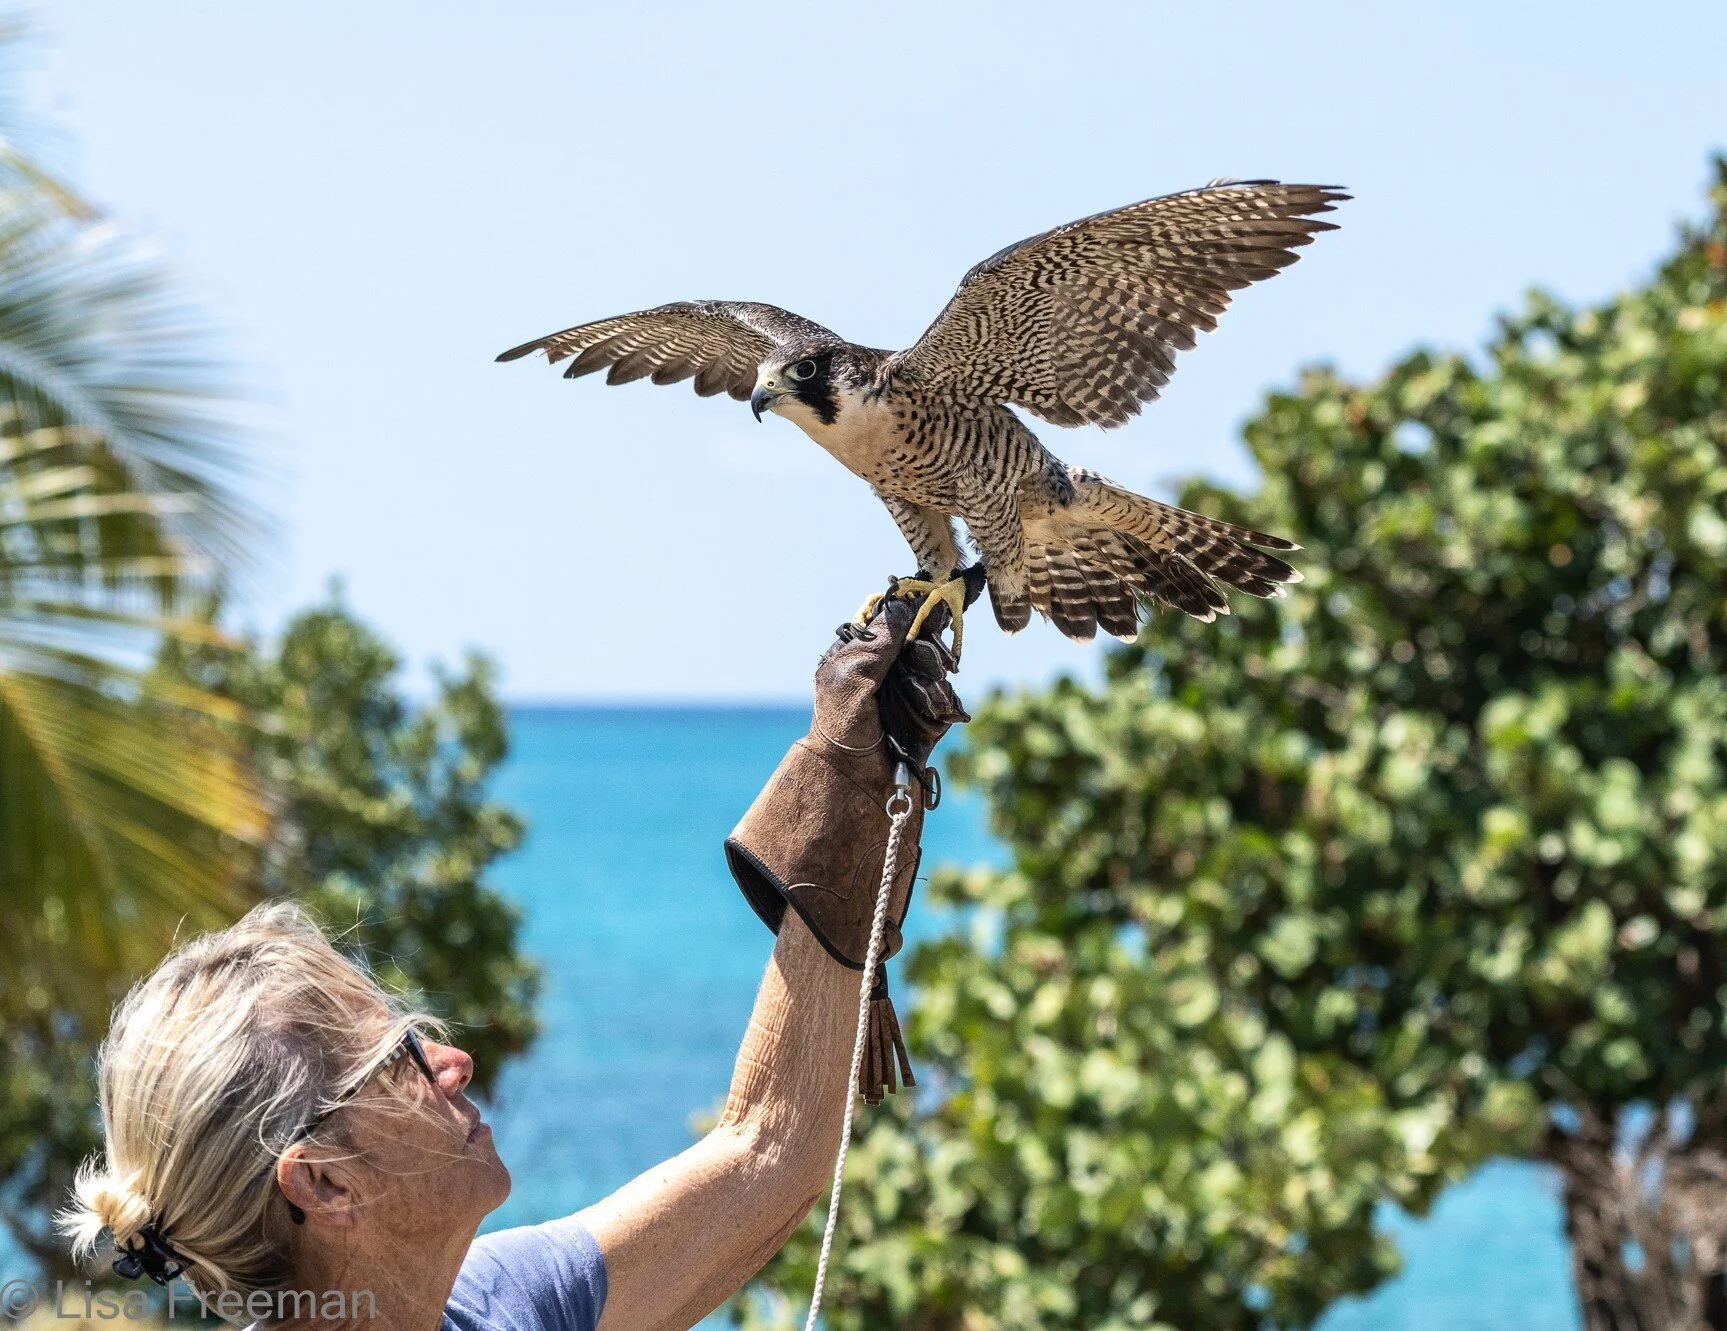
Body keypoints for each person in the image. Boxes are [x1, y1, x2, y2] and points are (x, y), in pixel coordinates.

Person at [57, 599, 964, 1331]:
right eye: (403, 1059)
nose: (455, 1061)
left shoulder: (500, 1302)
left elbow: (769, 1147)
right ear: (323, 1180)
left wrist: (851, 782)